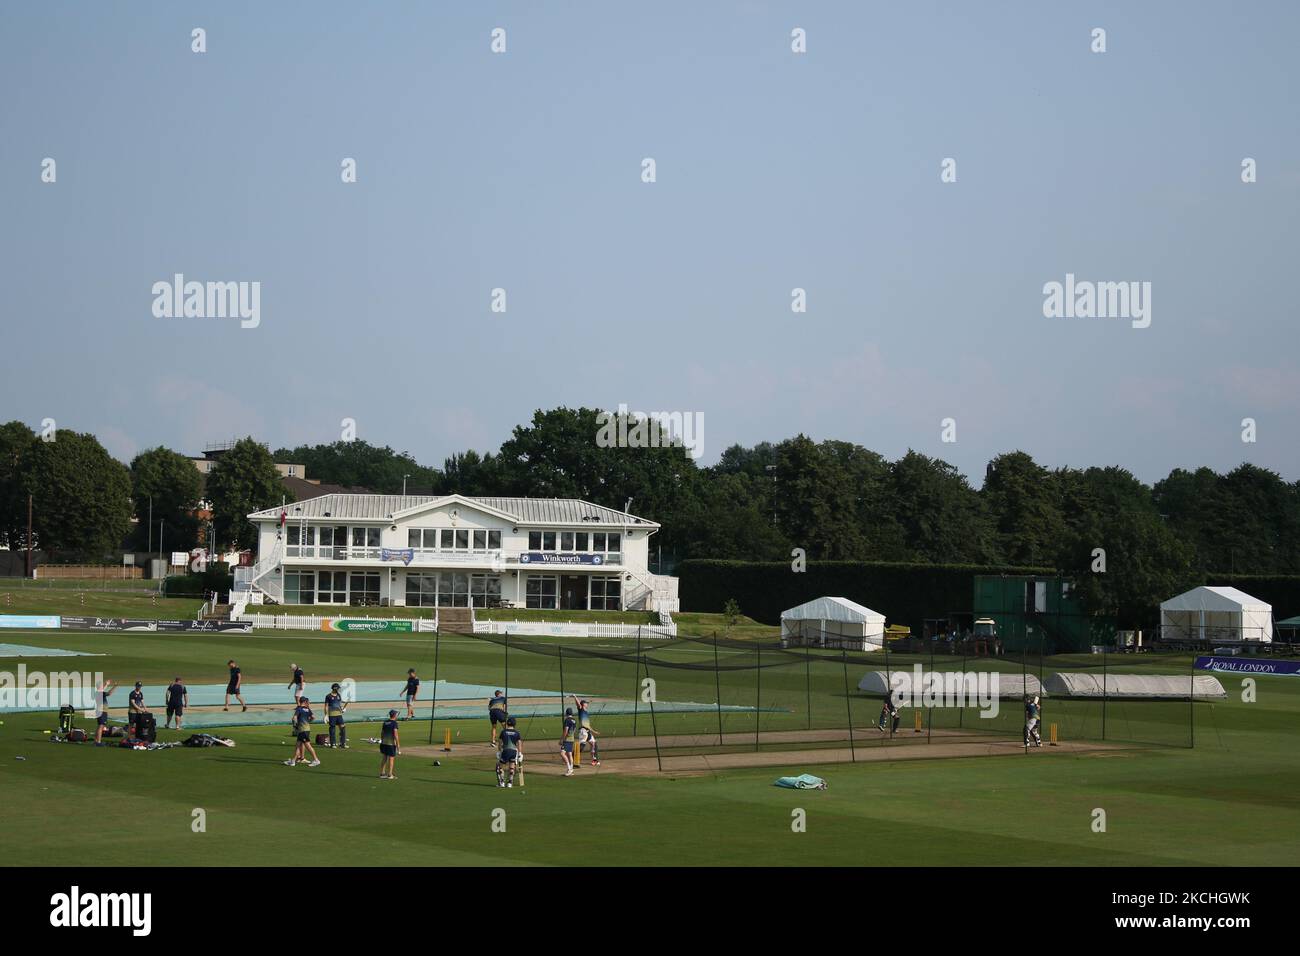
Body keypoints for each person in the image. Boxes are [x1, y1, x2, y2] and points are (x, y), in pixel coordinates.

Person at [285, 696, 320, 767]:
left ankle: (316, 760)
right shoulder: (308, 709)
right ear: (304, 702)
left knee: (308, 746)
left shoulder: (299, 709)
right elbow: (313, 717)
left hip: (302, 730)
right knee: (297, 746)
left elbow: (294, 718)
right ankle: (293, 761)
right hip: (306, 729)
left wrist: (295, 726)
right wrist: (308, 722)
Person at [570, 694, 600, 766]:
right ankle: (571, 758)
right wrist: (575, 697)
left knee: (594, 743)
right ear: (583, 704)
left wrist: (594, 731)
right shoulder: (581, 710)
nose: (587, 704)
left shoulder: (586, 713)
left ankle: (595, 760)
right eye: (586, 703)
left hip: (588, 731)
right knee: (582, 746)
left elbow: (588, 726)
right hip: (583, 731)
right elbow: (578, 704)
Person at [496, 716, 522, 788]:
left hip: (505, 751)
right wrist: (520, 753)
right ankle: (510, 783)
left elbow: (500, 742)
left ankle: (502, 782)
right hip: (514, 751)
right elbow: (519, 743)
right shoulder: (517, 733)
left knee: (500, 767)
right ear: (514, 724)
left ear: (507, 723)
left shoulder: (503, 732)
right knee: (511, 767)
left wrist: (499, 751)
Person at [325, 682, 348, 749]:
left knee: (343, 728)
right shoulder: (328, 696)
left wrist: (343, 709)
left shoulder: (339, 695)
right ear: (335, 688)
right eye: (338, 688)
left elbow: (339, 704)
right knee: (332, 729)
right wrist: (326, 715)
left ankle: (342, 743)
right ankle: (333, 744)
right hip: (332, 715)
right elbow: (326, 706)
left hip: (339, 714)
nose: (339, 690)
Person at [94, 679, 117, 745]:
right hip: (102, 711)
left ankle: (96, 741)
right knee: (101, 726)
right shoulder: (100, 693)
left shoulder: (98, 692)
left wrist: (107, 685)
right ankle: (98, 742)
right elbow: (109, 693)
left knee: (99, 726)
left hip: (100, 711)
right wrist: (114, 686)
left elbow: (104, 691)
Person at [379, 709, 400, 779]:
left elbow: (382, 733)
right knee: (391, 758)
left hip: (384, 743)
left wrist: (382, 740)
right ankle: (390, 774)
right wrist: (398, 745)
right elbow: (395, 735)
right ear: (394, 715)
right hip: (391, 744)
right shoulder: (394, 723)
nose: (397, 715)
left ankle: (382, 773)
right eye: (397, 714)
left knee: (384, 757)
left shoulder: (385, 722)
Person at [559, 707, 577, 777]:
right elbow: (574, 730)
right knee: (569, 754)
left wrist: (562, 739)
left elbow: (565, 730)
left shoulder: (567, 720)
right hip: (572, 739)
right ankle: (571, 769)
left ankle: (569, 769)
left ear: (566, 713)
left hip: (567, 739)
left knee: (562, 753)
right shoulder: (574, 720)